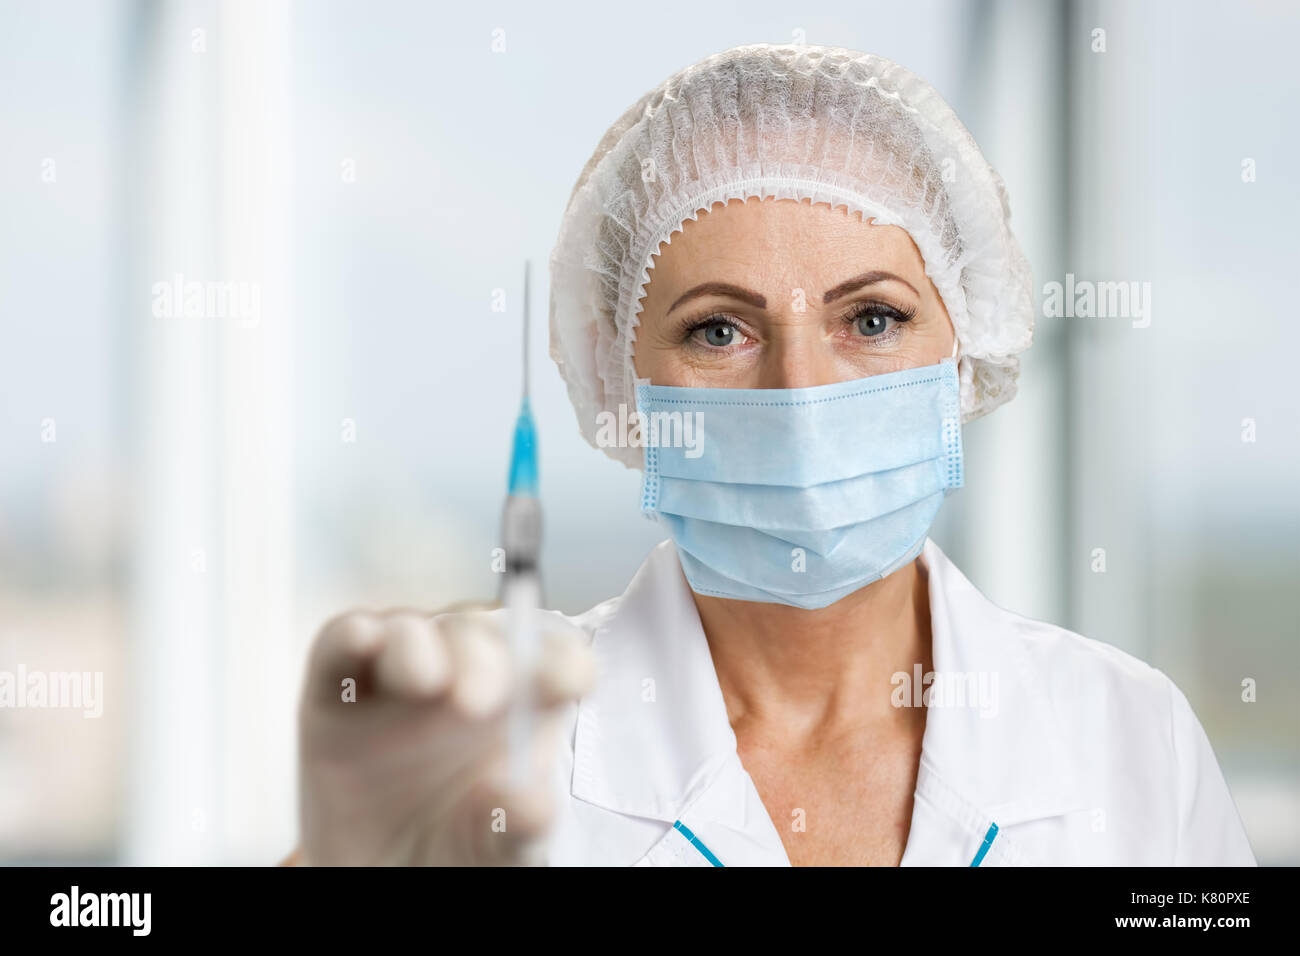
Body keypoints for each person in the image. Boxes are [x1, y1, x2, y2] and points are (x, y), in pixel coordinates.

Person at [285, 43, 1256, 866]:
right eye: (718, 330)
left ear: (963, 360)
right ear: (623, 388)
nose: (800, 391)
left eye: (871, 317)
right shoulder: (494, 757)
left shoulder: (1131, 740)